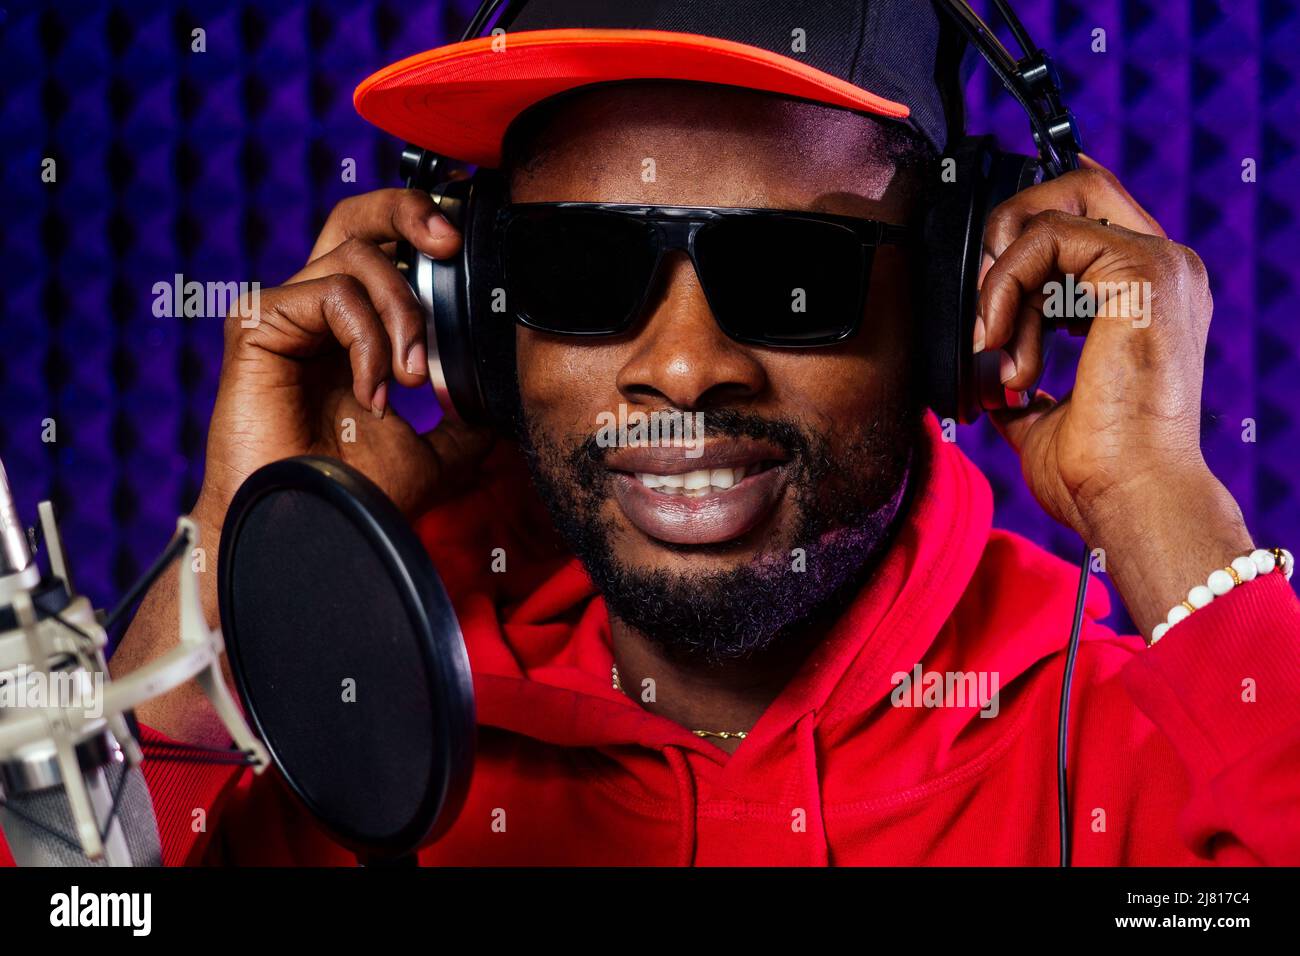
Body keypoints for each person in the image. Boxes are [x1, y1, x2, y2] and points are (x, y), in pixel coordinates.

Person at [91, 1, 1300, 865]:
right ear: (469, 318)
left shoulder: (1138, 739)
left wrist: (1157, 495)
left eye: (790, 275)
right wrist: (231, 566)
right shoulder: (344, 723)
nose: (682, 366)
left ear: (948, 307)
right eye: (581, 264)